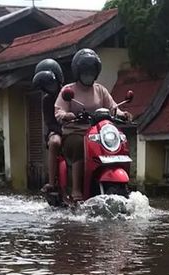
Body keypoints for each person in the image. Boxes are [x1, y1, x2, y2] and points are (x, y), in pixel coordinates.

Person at [54, 48, 132, 201]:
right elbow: (59, 111)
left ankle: (125, 185)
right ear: (78, 71)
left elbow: (113, 107)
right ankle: (76, 190)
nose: (88, 73)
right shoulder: (68, 90)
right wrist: (67, 115)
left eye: (91, 70)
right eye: (85, 70)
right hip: (76, 132)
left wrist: (123, 114)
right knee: (79, 146)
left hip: (98, 133)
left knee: (122, 143)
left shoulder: (100, 90)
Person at [32, 59, 64, 194]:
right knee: (54, 142)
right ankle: (51, 182)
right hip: (56, 130)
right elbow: (50, 122)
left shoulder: (68, 93)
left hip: (76, 128)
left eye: (51, 83)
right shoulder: (47, 100)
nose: (49, 87)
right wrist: (61, 130)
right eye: (46, 85)